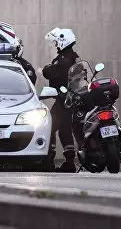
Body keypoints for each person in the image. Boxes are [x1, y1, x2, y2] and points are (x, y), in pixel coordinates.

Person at [41, 27, 79, 173]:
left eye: (56, 43)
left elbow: (49, 72)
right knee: (65, 130)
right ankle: (69, 162)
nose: (55, 45)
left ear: (63, 42)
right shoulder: (73, 57)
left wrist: (46, 68)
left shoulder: (64, 60)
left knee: (48, 127)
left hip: (64, 100)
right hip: (70, 100)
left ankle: (48, 160)